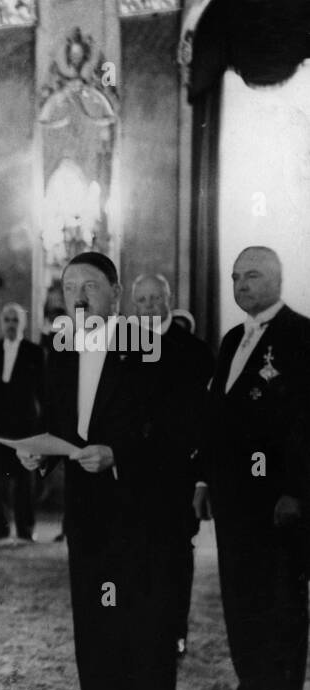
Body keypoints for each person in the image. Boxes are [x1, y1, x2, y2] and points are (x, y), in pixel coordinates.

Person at [19, 251, 200, 690]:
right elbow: (60, 422)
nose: (79, 296)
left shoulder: (148, 348)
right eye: (70, 285)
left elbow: (173, 432)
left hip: (142, 511)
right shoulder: (62, 346)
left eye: (91, 286)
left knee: (144, 626)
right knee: (94, 626)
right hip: (88, 512)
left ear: (115, 294)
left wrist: (120, 453)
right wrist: (40, 453)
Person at [196, 246, 310, 690]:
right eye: (236, 277)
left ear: (279, 280)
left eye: (253, 276)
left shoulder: (301, 335)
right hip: (234, 494)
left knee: (280, 597)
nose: (242, 285)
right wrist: (203, 478)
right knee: (241, 594)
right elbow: (216, 417)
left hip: (277, 498)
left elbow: (306, 420)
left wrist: (297, 490)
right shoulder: (231, 340)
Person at [132, 274, 215, 656]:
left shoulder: (195, 351)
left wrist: (201, 480)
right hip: (133, 473)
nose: (148, 307)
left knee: (176, 553)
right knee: (137, 551)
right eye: (142, 300)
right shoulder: (124, 349)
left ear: (168, 300)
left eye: (154, 299)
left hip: (178, 475)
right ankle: (142, 625)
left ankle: (173, 629)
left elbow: (206, 420)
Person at [0, 303, 43, 540]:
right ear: (1, 323)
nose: (11, 325)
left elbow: (43, 392)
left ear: (23, 323)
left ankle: (25, 530)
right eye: (7, 320)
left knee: (25, 481)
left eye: (15, 320)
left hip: (25, 427)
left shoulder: (34, 353)